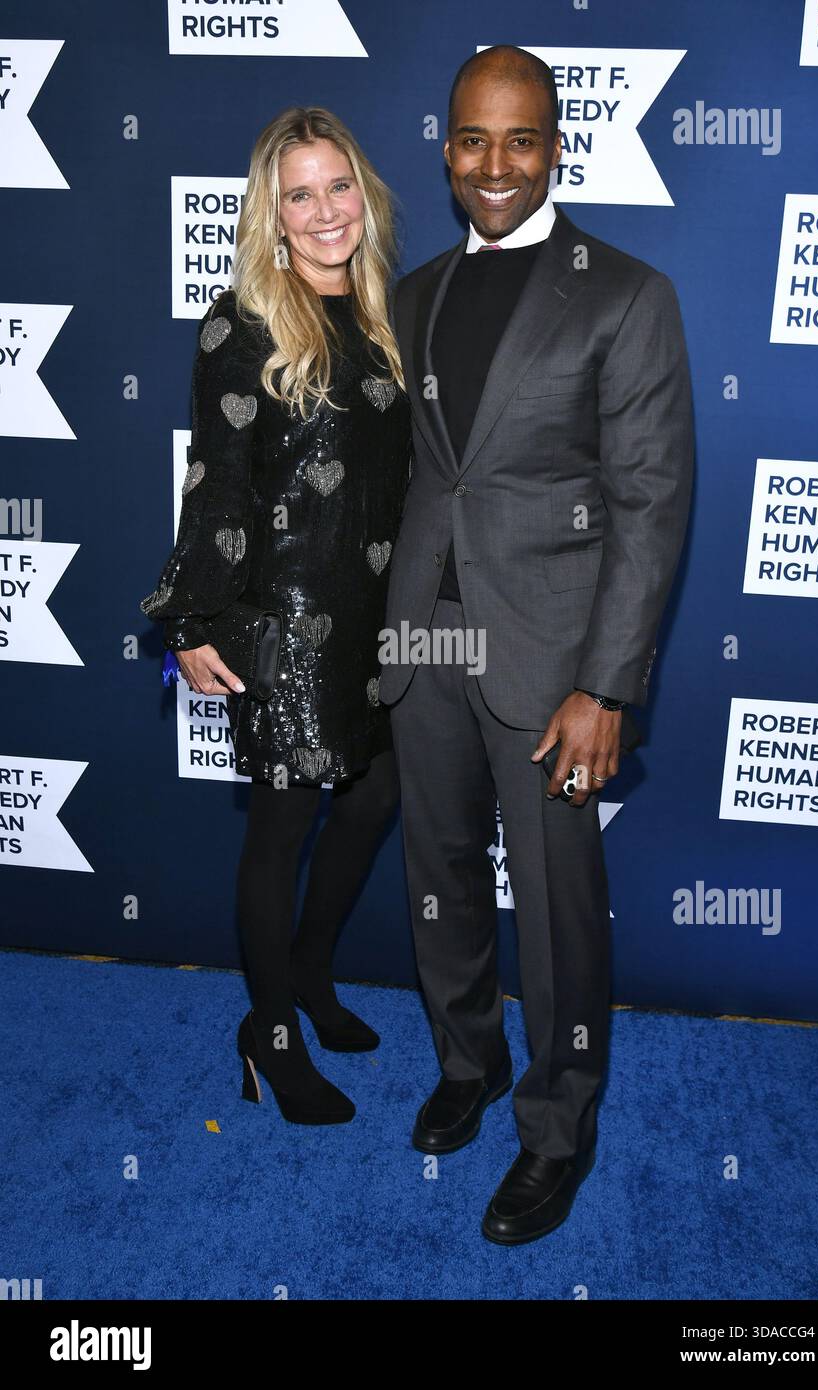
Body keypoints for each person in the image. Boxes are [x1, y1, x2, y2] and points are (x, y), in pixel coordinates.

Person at [379, 46, 694, 1241]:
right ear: (446, 150)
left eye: (520, 139)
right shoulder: (414, 295)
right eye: (473, 139)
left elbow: (650, 504)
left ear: (556, 146)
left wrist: (604, 686)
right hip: (425, 642)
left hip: (554, 661)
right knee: (440, 873)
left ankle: (558, 1127)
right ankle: (467, 1063)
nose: (495, 163)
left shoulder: (624, 293)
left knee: (557, 909)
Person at [140, 107, 412, 1126]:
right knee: (281, 829)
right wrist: (190, 620)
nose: (325, 209)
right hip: (288, 625)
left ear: (364, 195)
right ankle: (272, 1032)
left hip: (378, 617)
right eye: (300, 194)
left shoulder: (386, 314)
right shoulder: (244, 321)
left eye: (339, 186)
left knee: (375, 801)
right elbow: (216, 485)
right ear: (273, 214)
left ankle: (307, 973)